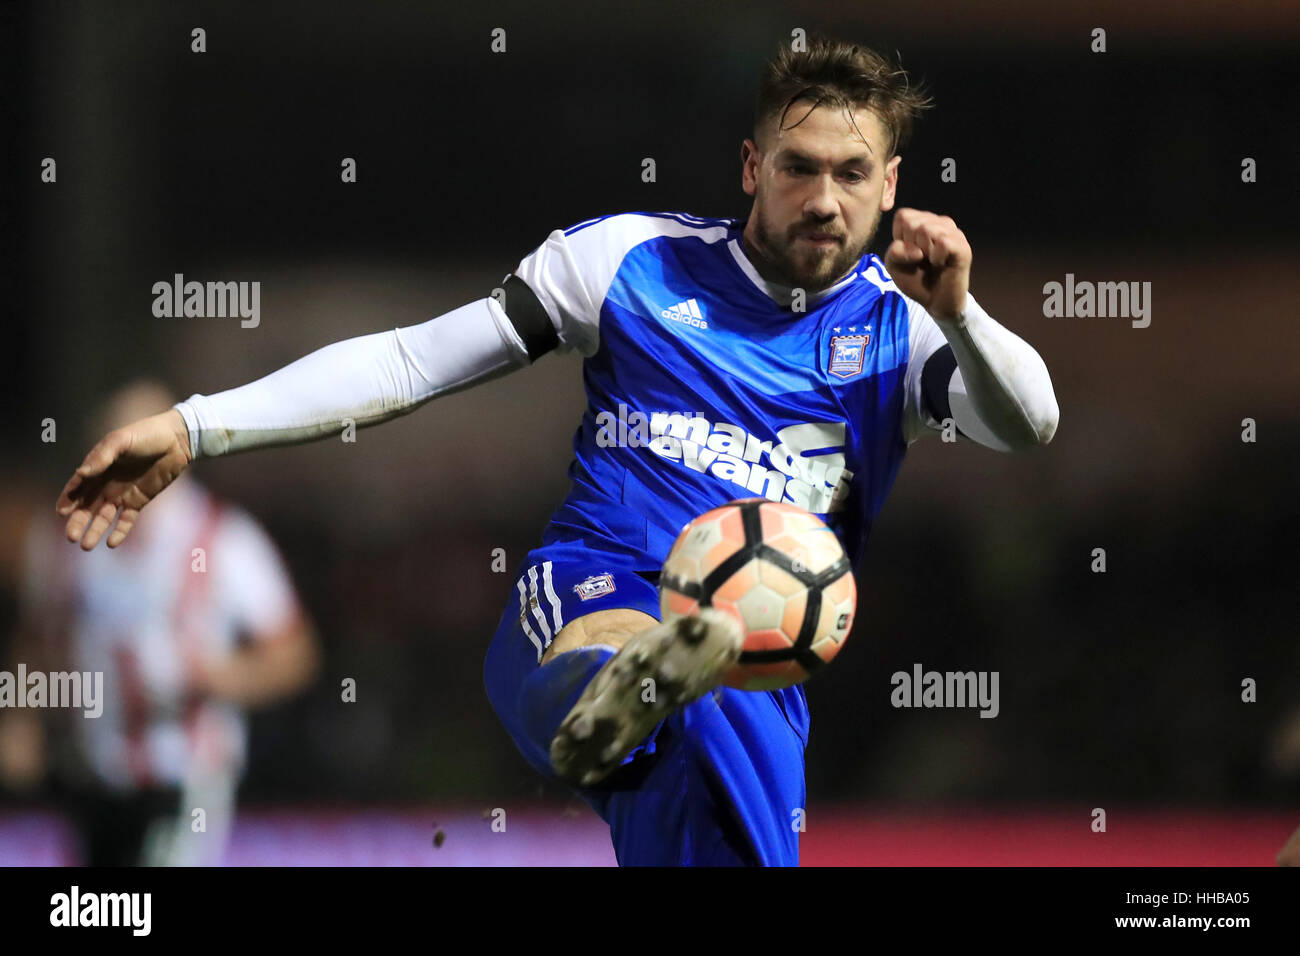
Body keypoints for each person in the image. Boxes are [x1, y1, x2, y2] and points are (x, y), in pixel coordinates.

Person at [56, 37, 1057, 865]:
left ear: (890, 186)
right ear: (753, 168)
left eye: (850, 174)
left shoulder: (904, 332)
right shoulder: (629, 262)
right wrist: (195, 424)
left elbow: (1029, 422)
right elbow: (414, 360)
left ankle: (660, 678)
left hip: (757, 674)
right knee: (604, 629)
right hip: (594, 581)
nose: (823, 198)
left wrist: (962, 310)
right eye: (797, 167)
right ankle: (621, 677)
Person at [17, 382, 319, 865]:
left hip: (183, 775)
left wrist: (214, 676)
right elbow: (38, 638)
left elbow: (293, 653)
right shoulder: (62, 538)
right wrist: (22, 716)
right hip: (90, 776)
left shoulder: (222, 538)